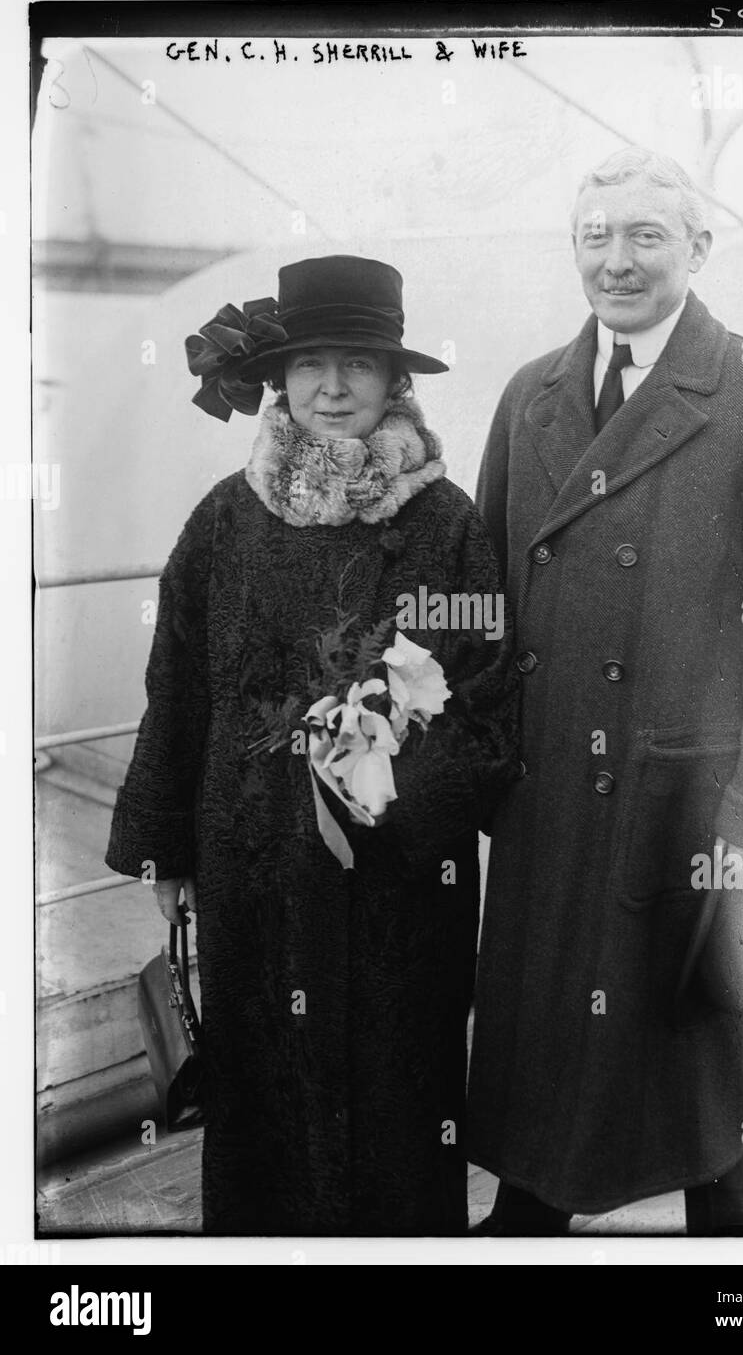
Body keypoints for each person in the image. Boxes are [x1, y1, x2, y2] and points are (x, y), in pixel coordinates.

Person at [466, 148, 743, 1236]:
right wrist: (489, 770)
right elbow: (486, 605)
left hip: (692, 787)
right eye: (596, 236)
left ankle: (722, 1226)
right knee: (550, 1007)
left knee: (696, 1018)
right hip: (549, 785)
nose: (617, 261)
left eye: (645, 236)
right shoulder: (528, 393)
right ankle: (529, 1199)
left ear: (698, 248)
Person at [106, 255, 518, 1236]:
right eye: (310, 365)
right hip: (252, 880)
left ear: (395, 379)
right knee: (261, 1108)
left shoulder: (441, 526)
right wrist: (166, 848)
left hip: (398, 895)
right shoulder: (223, 522)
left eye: (359, 364)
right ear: (278, 381)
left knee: (398, 1102)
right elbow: (179, 686)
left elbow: (485, 702)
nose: (333, 388)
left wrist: (384, 794)